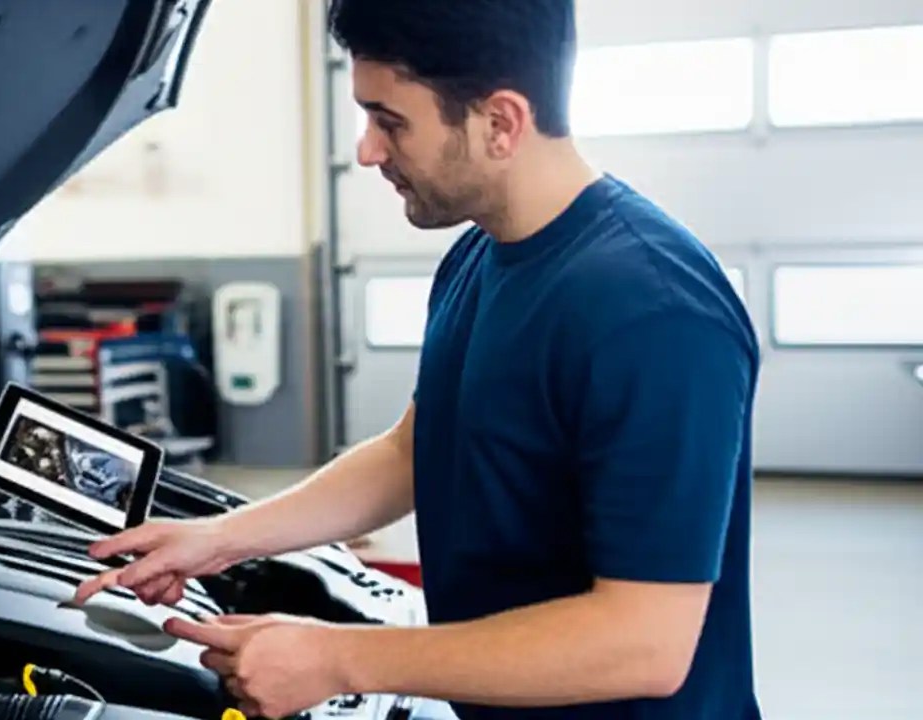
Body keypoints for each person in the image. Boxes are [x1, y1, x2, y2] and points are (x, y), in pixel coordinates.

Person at [71, 1, 762, 718]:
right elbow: (413, 449)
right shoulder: (480, 255)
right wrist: (219, 540)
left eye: (390, 120)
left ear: (501, 122)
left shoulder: (652, 311)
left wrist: (337, 658)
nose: (367, 151)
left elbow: (643, 642)